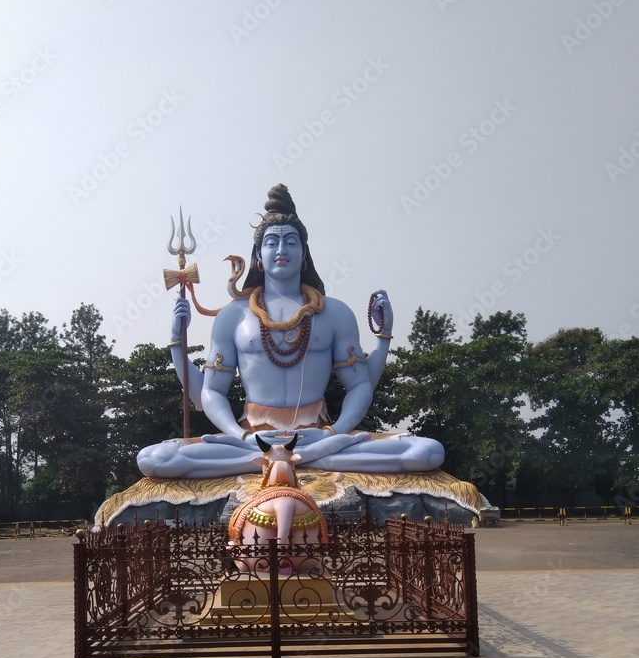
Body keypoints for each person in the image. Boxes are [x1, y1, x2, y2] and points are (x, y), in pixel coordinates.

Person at [137, 184, 444, 479]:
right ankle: (278, 460)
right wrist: (238, 433)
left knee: (427, 452)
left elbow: (361, 386)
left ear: (304, 252)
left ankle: (290, 460)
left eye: (291, 241)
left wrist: (335, 432)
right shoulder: (233, 316)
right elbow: (209, 394)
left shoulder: (335, 313)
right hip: (250, 439)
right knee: (155, 458)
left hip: (319, 437)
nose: (281, 249)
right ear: (258, 254)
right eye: (272, 242)